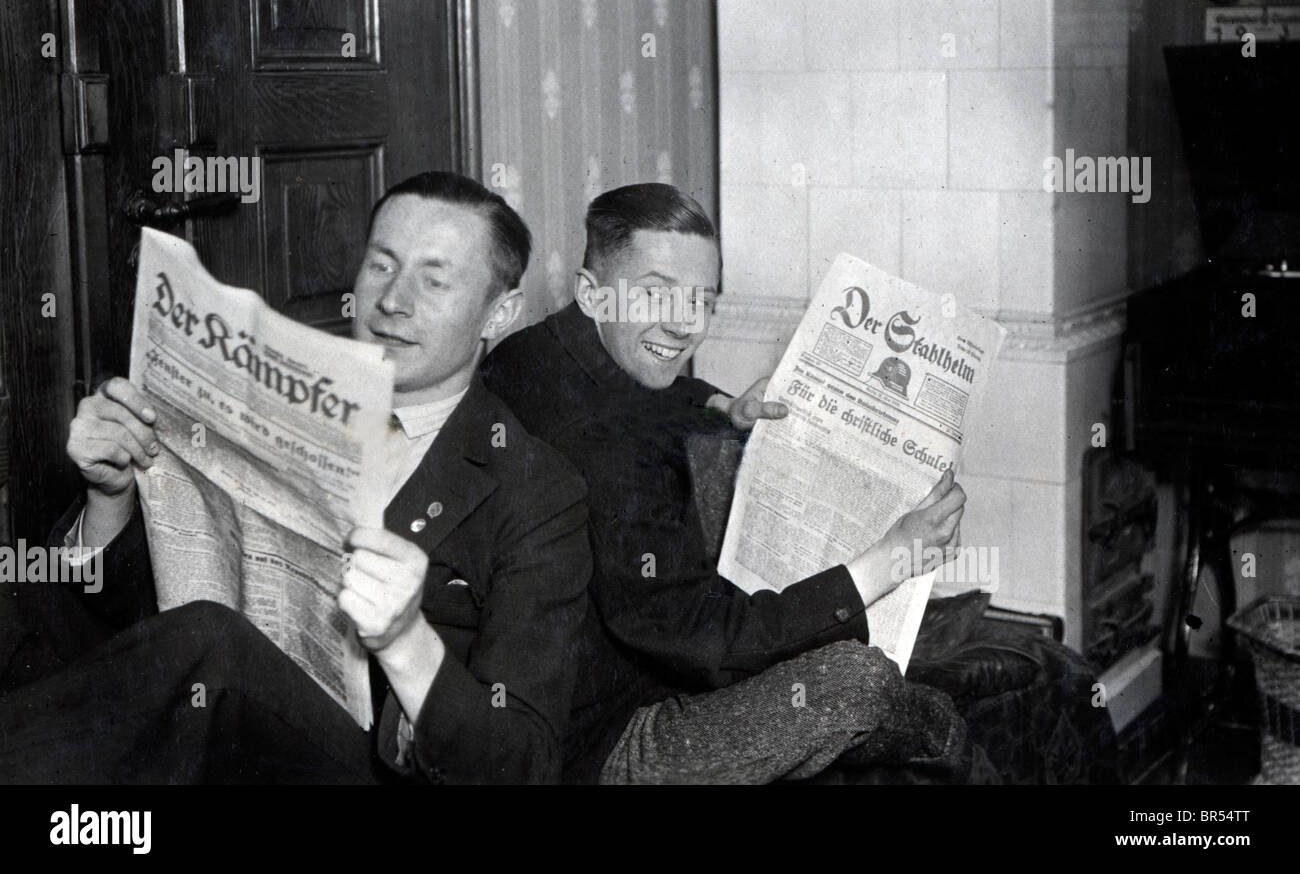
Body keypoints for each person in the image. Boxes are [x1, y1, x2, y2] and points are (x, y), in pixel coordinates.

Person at [0, 171, 592, 785]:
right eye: (382, 265)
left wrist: (404, 639)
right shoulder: (279, 394)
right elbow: (139, 636)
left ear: (500, 312)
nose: (393, 301)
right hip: (210, 727)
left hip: (357, 767)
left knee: (212, 640)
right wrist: (109, 496)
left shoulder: (539, 491)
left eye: (434, 281)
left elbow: (525, 763)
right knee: (17, 593)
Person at [481, 183, 979, 784]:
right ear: (591, 293)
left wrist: (719, 404)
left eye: (702, 301)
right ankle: (955, 741)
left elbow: (636, 391)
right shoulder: (605, 448)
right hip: (606, 738)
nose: (684, 324)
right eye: (656, 294)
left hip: (589, 671)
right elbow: (704, 646)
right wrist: (886, 563)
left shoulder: (528, 353)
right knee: (857, 683)